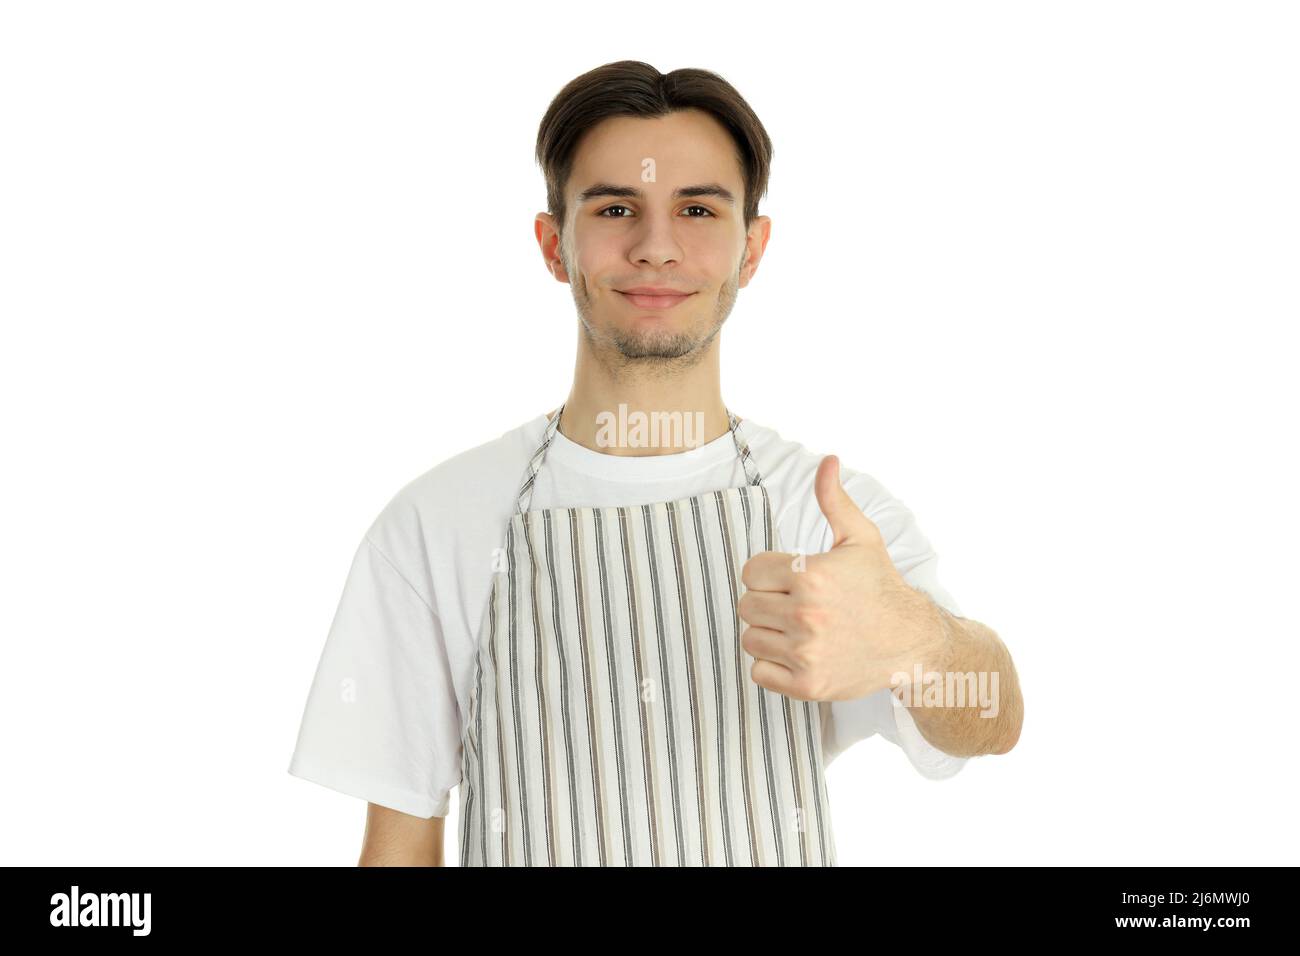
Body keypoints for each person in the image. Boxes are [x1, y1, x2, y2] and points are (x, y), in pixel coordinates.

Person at [288, 60, 1023, 867]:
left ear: (752, 249)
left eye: (699, 209)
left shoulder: (824, 512)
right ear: (553, 244)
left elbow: (992, 720)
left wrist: (912, 638)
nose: (656, 246)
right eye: (614, 208)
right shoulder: (436, 523)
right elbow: (398, 850)